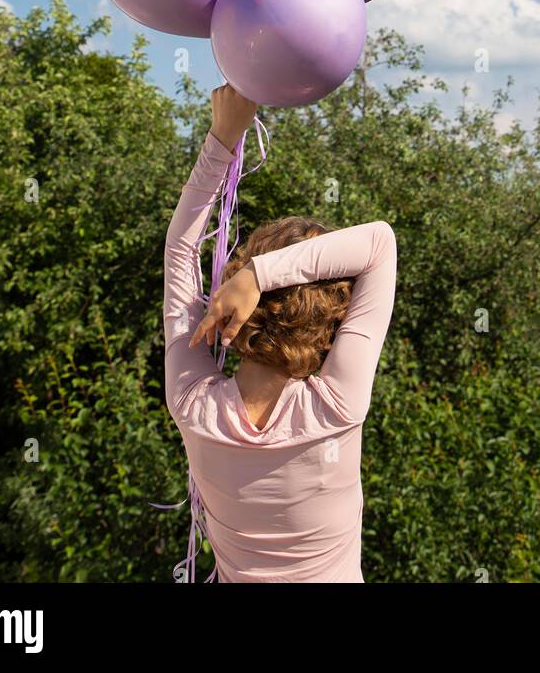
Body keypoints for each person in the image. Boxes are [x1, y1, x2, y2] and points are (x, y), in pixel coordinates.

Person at [163, 83, 397, 583]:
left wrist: (223, 135)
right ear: (333, 321)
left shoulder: (192, 403)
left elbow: (180, 252)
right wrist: (263, 275)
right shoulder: (336, 406)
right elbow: (379, 242)